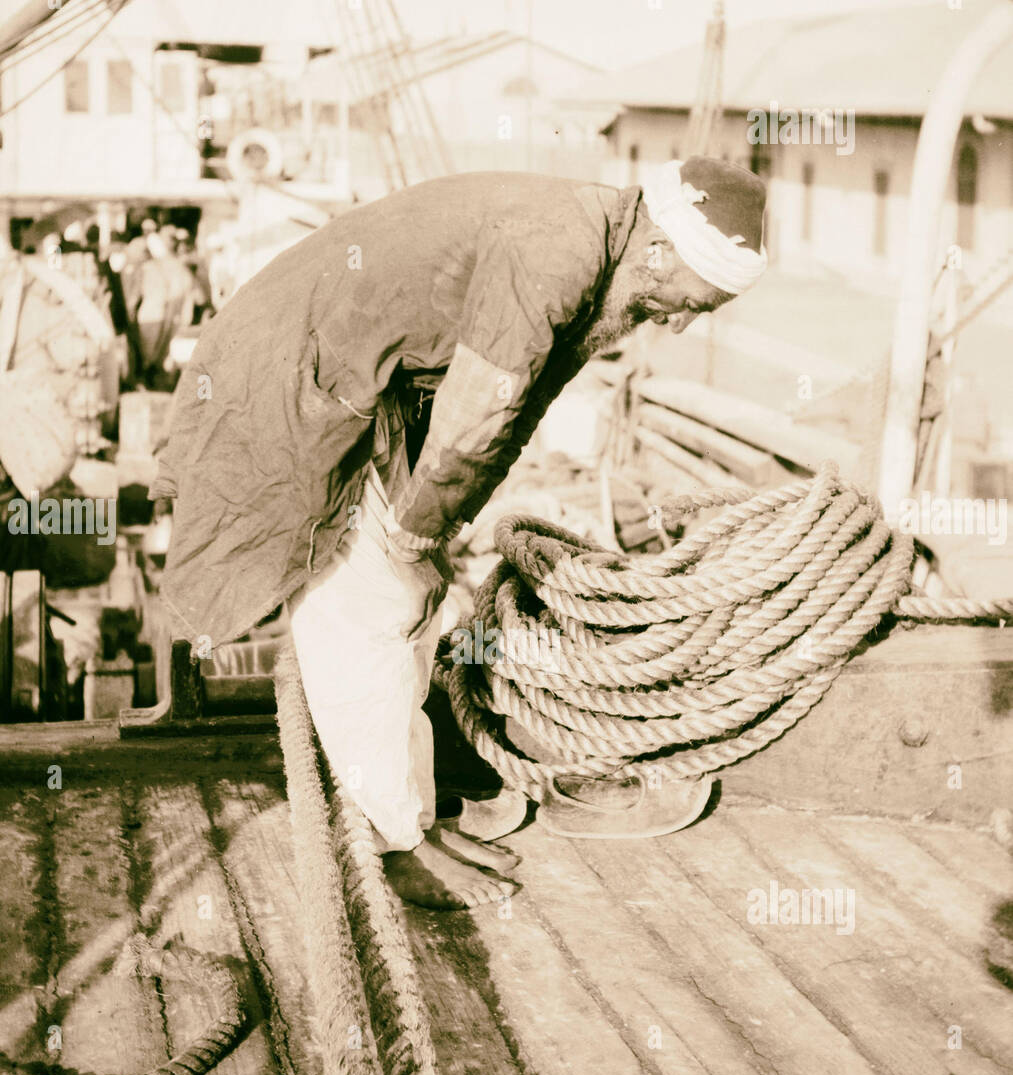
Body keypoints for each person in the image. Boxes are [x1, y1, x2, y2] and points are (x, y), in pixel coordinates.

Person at [151, 159, 767, 908]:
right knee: (362, 607)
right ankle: (388, 842)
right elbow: (477, 414)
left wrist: (432, 530)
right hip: (285, 380)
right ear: (660, 249)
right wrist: (414, 530)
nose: (673, 324)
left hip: (359, 382)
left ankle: (407, 810)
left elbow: (520, 405)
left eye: (695, 315)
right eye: (683, 304)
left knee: (405, 595)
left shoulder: (599, 246)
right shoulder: (556, 250)